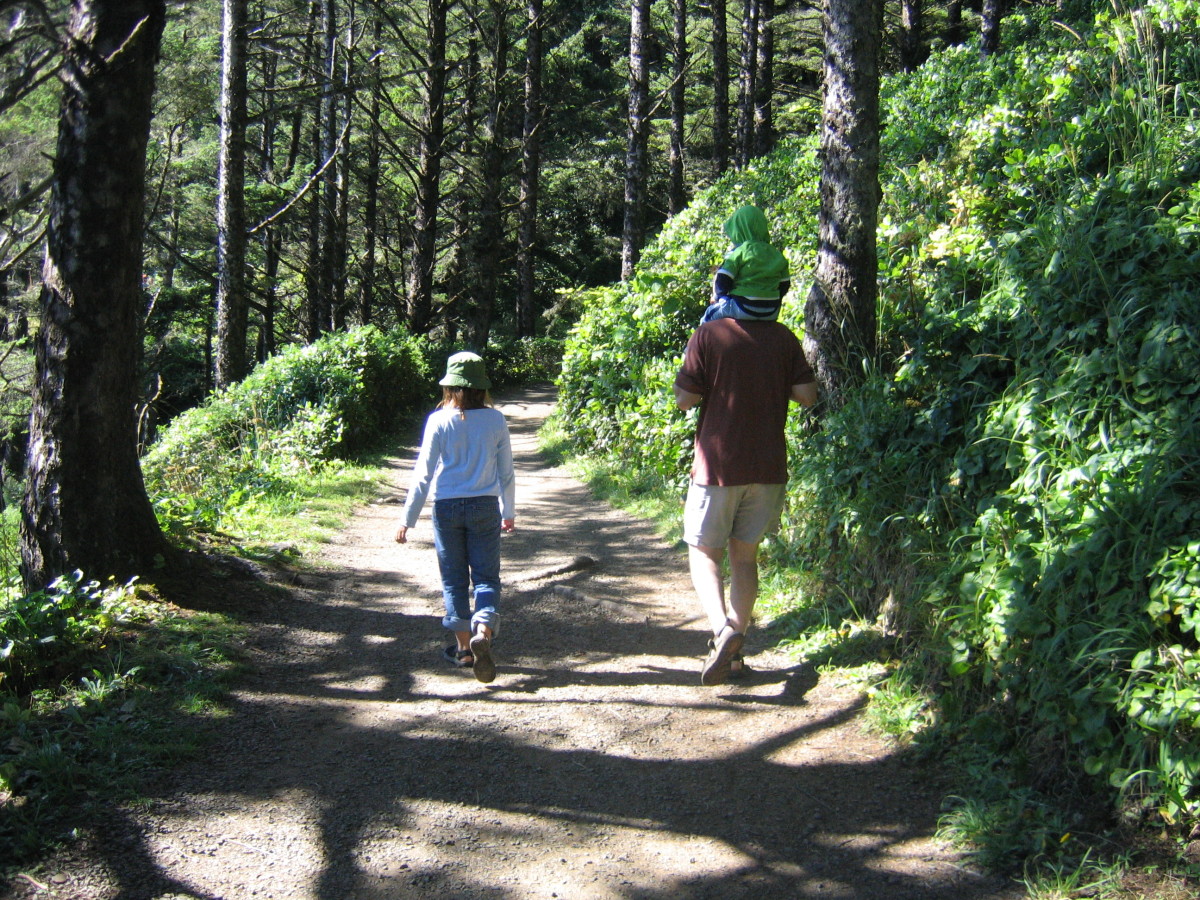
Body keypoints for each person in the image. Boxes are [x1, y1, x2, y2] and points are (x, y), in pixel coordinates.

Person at [673, 315, 818, 685]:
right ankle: (734, 656)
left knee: (704, 553)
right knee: (744, 559)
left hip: (717, 468)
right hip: (768, 467)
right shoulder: (784, 337)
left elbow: (684, 401)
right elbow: (807, 396)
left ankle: (723, 631)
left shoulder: (708, 334)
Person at [394, 351, 515, 684]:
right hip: (485, 506)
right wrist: (510, 512)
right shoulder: (496, 420)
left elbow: (423, 474)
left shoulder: (438, 420)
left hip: (446, 507)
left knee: (454, 579)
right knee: (487, 577)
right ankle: (484, 632)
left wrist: (408, 519)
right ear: (481, 386)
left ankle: (463, 649)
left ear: (450, 385)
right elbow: (506, 473)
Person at [700, 205, 792, 324]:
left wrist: (717, 297)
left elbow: (723, 278)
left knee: (708, 316)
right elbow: (784, 284)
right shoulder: (777, 254)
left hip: (742, 306)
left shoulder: (739, 251)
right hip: (772, 311)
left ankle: (693, 342)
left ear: (739, 229)